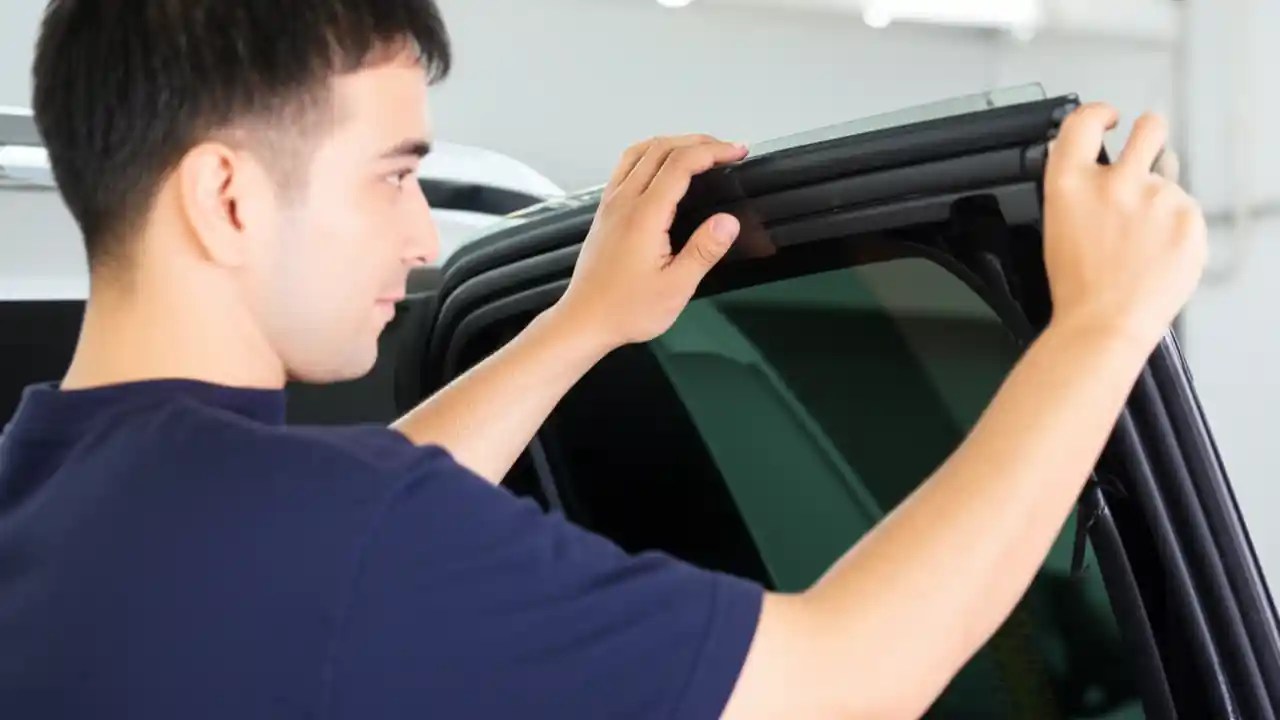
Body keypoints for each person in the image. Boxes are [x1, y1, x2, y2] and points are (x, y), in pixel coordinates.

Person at [0, 1, 1206, 718]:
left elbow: (345, 521)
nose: (422, 238)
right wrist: (1099, 327)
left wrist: (580, 326)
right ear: (226, 197)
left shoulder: (54, 491)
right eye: (391, 176)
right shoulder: (327, 539)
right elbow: (846, 678)